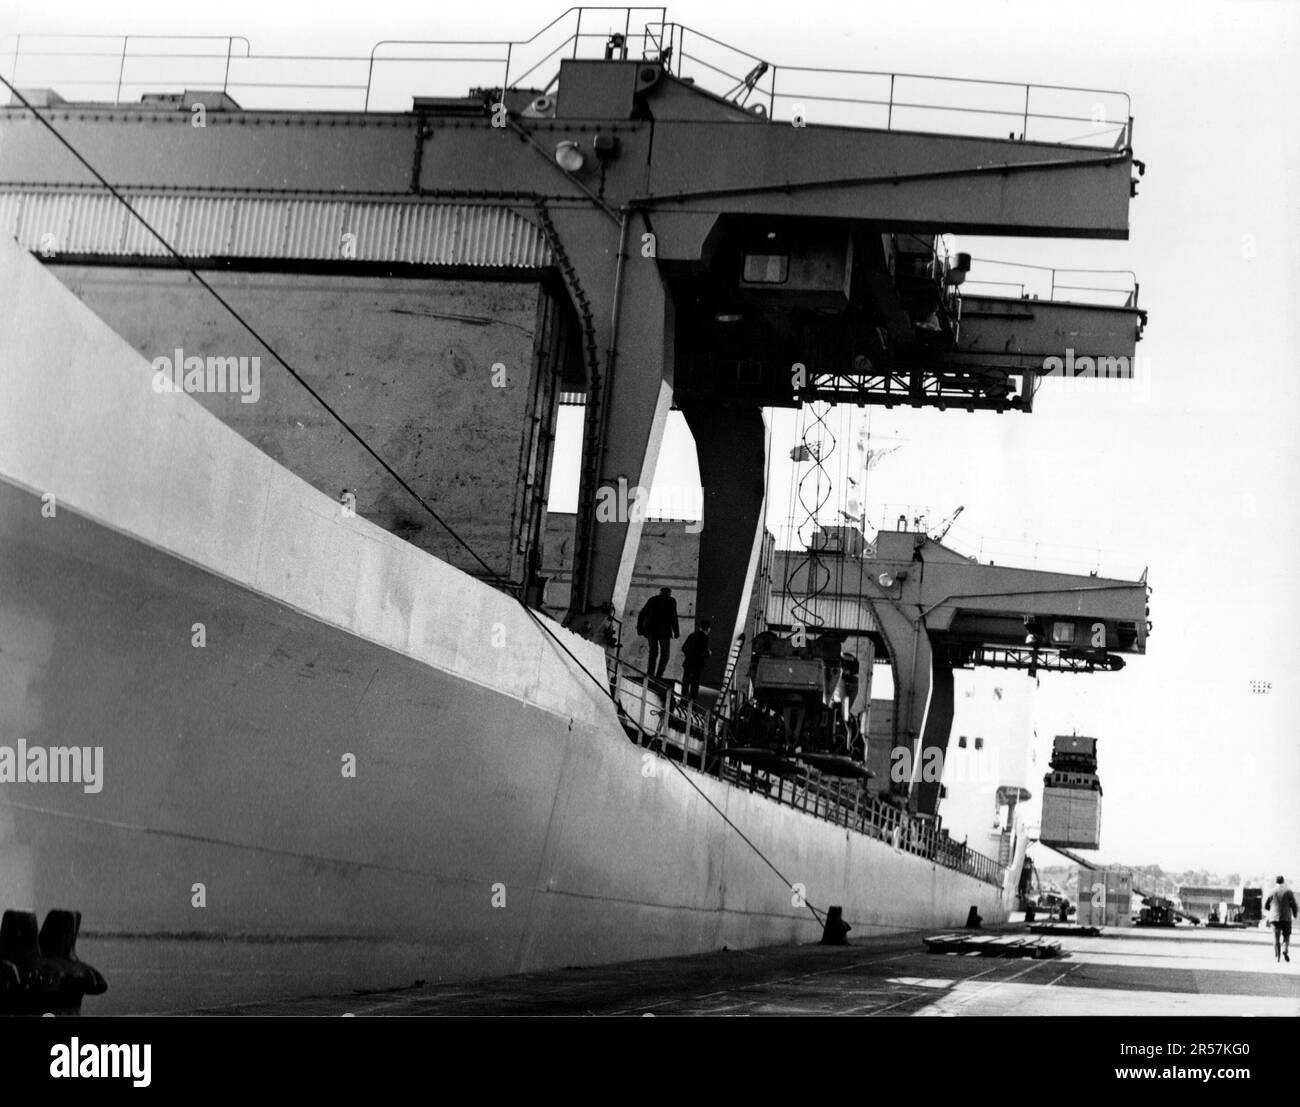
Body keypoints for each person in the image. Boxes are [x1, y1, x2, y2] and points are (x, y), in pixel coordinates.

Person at [636, 587, 679, 679]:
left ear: (660, 592)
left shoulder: (652, 600)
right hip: (664, 631)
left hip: (651, 630)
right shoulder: (671, 601)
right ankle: (659, 675)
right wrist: (676, 631)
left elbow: (642, 614)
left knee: (653, 652)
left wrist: (640, 629)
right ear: (669, 593)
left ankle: (650, 674)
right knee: (665, 654)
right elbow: (673, 617)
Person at [1265, 876, 1298, 963]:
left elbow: (1266, 905)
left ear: (1276, 882)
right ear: (1283, 882)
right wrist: (1294, 914)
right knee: (1286, 935)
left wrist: (1272, 910)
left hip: (1274, 918)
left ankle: (1277, 956)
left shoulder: (1271, 891)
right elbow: (1294, 904)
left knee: (1276, 938)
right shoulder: (1288, 891)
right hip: (1286, 918)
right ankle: (1285, 950)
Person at [679, 619, 712, 701]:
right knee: (694, 686)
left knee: (685, 683)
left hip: (688, 663)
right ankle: (692, 705)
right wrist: (708, 653)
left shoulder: (692, 635)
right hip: (697, 665)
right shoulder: (705, 638)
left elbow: (684, 648)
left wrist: (689, 655)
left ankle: (683, 701)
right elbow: (704, 652)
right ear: (707, 629)